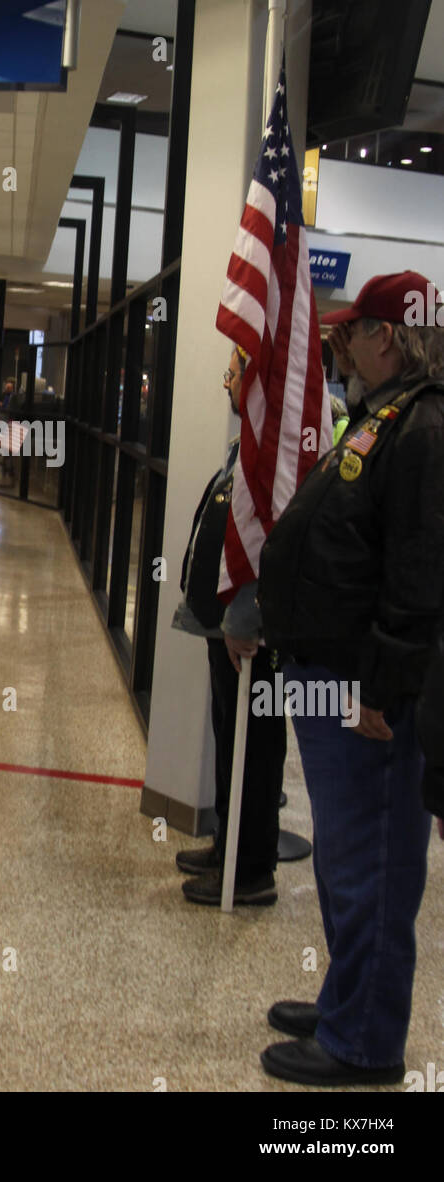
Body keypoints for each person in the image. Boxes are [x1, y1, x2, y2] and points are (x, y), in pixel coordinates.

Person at [257, 270, 444, 1086]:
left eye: (351, 333)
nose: (340, 347)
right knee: (344, 854)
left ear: (388, 337)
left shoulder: (428, 425)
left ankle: (365, 1040)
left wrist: (383, 687)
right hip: (330, 673)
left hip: (370, 691)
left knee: (373, 859)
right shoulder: (386, 414)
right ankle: (348, 996)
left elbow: (419, 571)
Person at [171, 345, 285, 906]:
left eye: (233, 374)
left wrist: (248, 616)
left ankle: (251, 871)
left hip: (250, 635)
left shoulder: (270, 457)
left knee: (254, 749)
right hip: (226, 628)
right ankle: (227, 844)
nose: (226, 384)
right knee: (229, 740)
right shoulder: (250, 447)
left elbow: (268, 546)